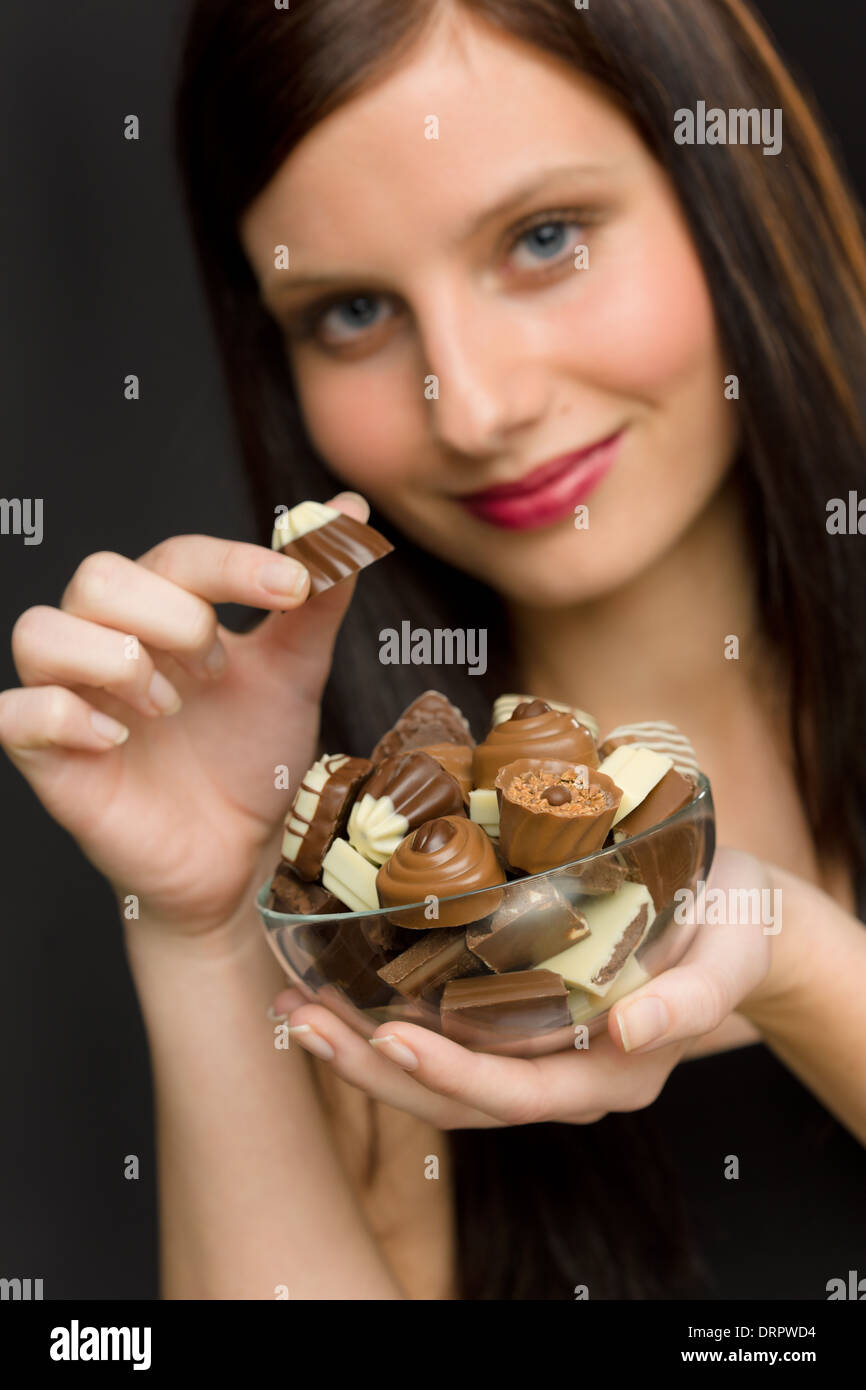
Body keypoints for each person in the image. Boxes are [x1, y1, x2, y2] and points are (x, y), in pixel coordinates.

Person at [3, 0, 866, 1300]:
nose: (470, 406)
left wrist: (791, 954)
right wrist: (198, 931)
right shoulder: (389, 911)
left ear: (730, 184)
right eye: (350, 311)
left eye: (543, 237)